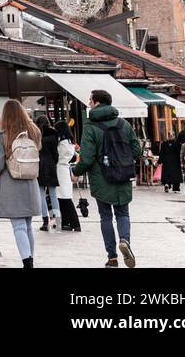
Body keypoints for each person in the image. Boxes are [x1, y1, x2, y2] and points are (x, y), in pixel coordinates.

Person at [73, 89, 143, 268]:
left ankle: (112, 257)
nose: (88, 102)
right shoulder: (124, 124)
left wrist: (77, 171)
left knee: (105, 217)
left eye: (90, 100)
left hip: (101, 178)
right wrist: (122, 159)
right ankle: (124, 240)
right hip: (122, 176)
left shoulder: (90, 127)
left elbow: (87, 157)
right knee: (123, 213)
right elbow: (137, 151)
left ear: (96, 102)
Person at [0, 99, 45, 268]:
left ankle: (27, 262)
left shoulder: (4, 134)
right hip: (30, 183)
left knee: (19, 226)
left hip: (12, 184)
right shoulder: (34, 131)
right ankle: (30, 260)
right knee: (27, 225)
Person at [37, 116, 60, 231]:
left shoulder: (36, 134)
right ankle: (57, 221)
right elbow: (56, 154)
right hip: (50, 164)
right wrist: (54, 162)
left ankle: (45, 221)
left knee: (41, 194)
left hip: (39, 165)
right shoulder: (53, 133)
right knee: (53, 194)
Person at [56, 129, 81, 231]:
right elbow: (74, 158)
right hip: (66, 170)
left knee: (64, 199)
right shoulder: (71, 143)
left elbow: (57, 156)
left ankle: (75, 223)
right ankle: (66, 222)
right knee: (64, 197)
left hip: (59, 170)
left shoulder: (61, 144)